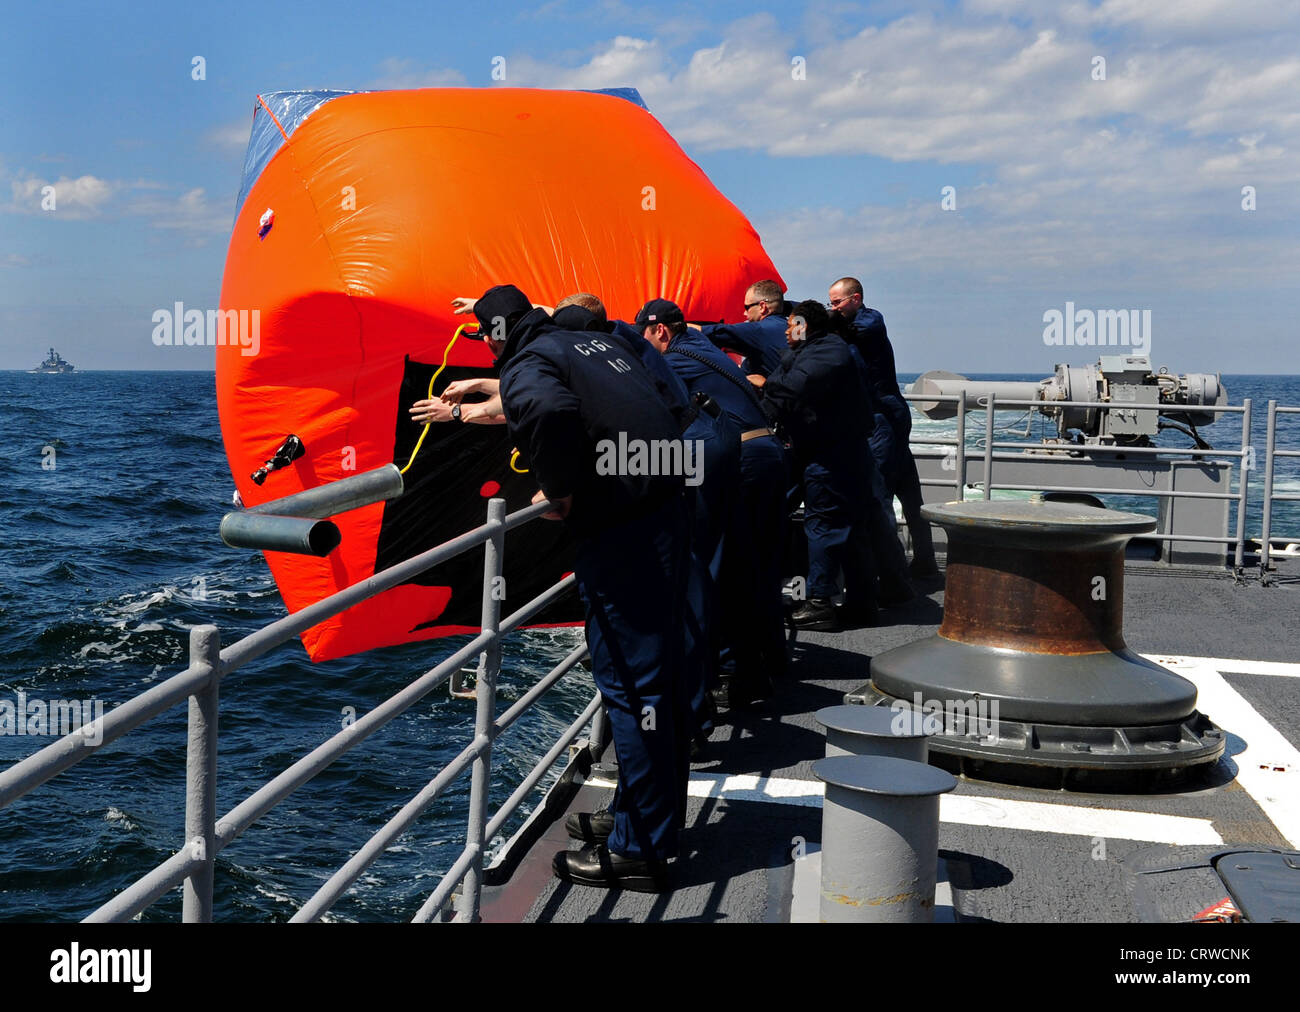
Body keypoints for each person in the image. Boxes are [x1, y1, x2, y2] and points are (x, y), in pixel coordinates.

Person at [474, 283, 691, 892]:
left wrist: (560, 487)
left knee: (633, 687)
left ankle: (639, 849)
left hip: (625, 538)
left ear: (495, 335)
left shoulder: (528, 361)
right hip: (665, 514)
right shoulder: (597, 345)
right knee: (659, 680)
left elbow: (546, 411)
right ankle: (646, 817)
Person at [636, 298, 789, 707]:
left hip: (745, 461)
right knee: (755, 564)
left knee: (724, 568)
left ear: (660, 332)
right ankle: (764, 663)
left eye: (645, 339)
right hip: (765, 453)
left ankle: (735, 672)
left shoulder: (676, 362)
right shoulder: (700, 346)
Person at [761, 301, 894, 629]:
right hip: (817, 451)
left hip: (835, 455)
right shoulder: (804, 353)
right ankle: (862, 604)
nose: (786, 331)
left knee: (825, 524)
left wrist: (763, 384)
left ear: (804, 326)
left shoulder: (831, 351)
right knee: (848, 530)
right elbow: (779, 398)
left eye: (791, 324)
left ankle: (819, 601)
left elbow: (795, 386)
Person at [829, 277, 938, 576]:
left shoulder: (870, 320)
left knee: (881, 491)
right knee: (907, 487)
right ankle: (924, 560)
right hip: (887, 416)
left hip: (884, 418)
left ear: (856, 298)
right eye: (830, 304)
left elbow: (851, 332)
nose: (834, 308)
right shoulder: (851, 323)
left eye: (837, 302)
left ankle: (889, 567)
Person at [698, 279, 792, 378]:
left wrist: (681, 324)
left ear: (762, 307)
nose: (744, 313)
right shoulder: (793, 330)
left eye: (747, 307)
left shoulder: (759, 330)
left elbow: (708, 331)